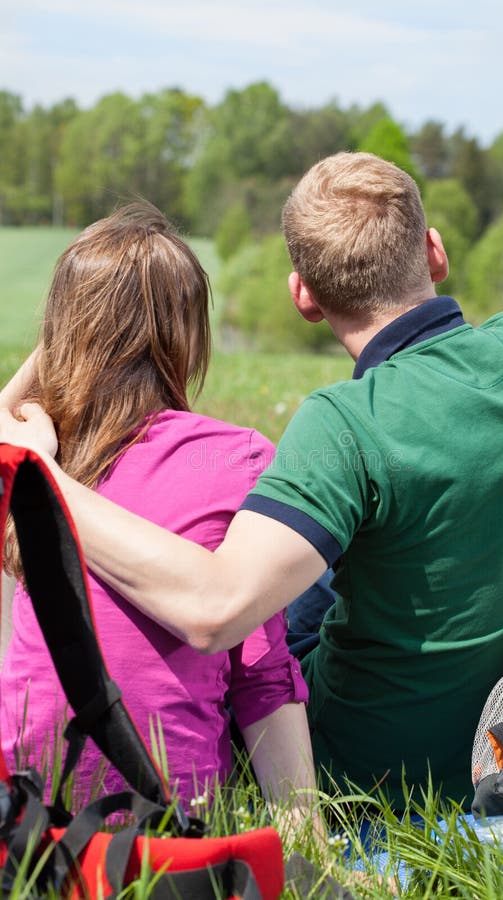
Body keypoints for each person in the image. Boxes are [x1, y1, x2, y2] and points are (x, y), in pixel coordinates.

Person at [0, 153, 503, 808]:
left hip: (370, 775)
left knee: (277, 584)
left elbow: (215, 609)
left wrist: (43, 475)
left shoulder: (344, 423)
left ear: (303, 296)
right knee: (326, 556)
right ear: (435, 252)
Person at [0, 202, 316, 812]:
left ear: (60, 333)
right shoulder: (234, 457)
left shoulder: (36, 453)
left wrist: (65, 335)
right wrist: (306, 839)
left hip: (27, 817)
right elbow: (262, 674)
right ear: (190, 335)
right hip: (174, 821)